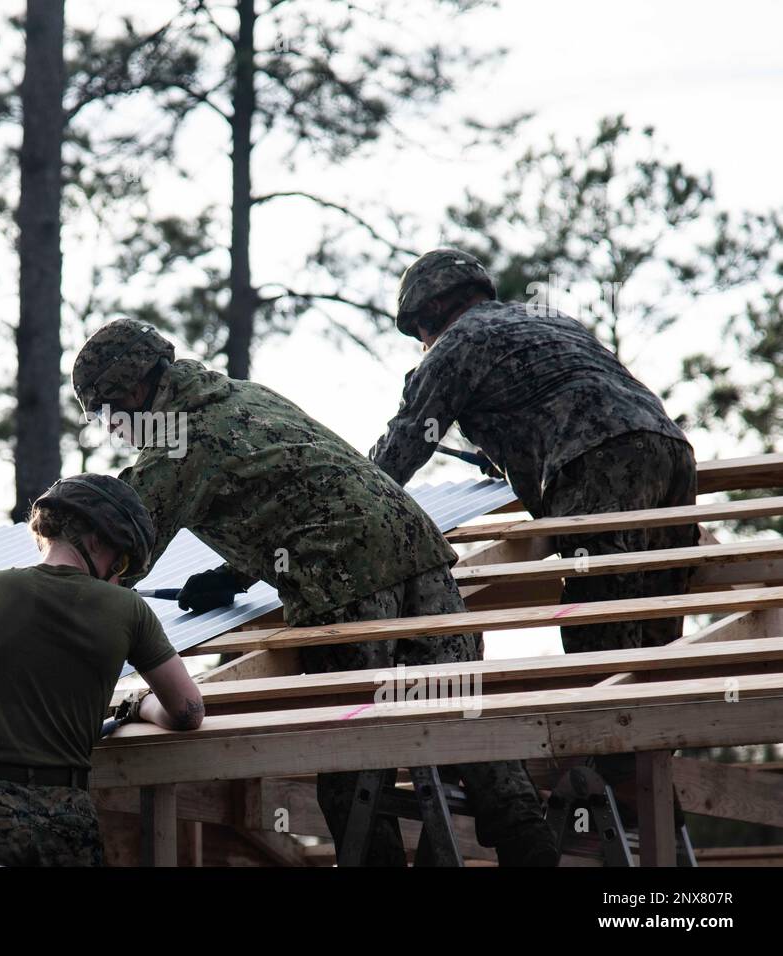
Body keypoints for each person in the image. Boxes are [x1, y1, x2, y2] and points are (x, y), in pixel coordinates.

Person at [71, 319, 558, 866]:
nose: (114, 430)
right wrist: (235, 575)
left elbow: (113, 551)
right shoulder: (245, 396)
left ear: (135, 391)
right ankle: (530, 842)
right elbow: (306, 485)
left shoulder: (175, 442)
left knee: (352, 770)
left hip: (343, 582)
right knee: (465, 721)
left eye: (109, 415)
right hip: (423, 558)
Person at [369, 249, 699, 655]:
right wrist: (515, 456)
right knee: (658, 636)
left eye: (420, 331)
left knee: (601, 638)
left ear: (434, 306)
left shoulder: (458, 341)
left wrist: (354, 491)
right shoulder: (548, 319)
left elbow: (403, 445)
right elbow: (561, 391)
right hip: (671, 451)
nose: (423, 343)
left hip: (598, 461)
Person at [0, 474, 204, 866]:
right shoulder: (129, 610)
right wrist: (140, 706)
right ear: (96, 540)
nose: (120, 577)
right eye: (123, 561)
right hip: (65, 814)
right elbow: (188, 711)